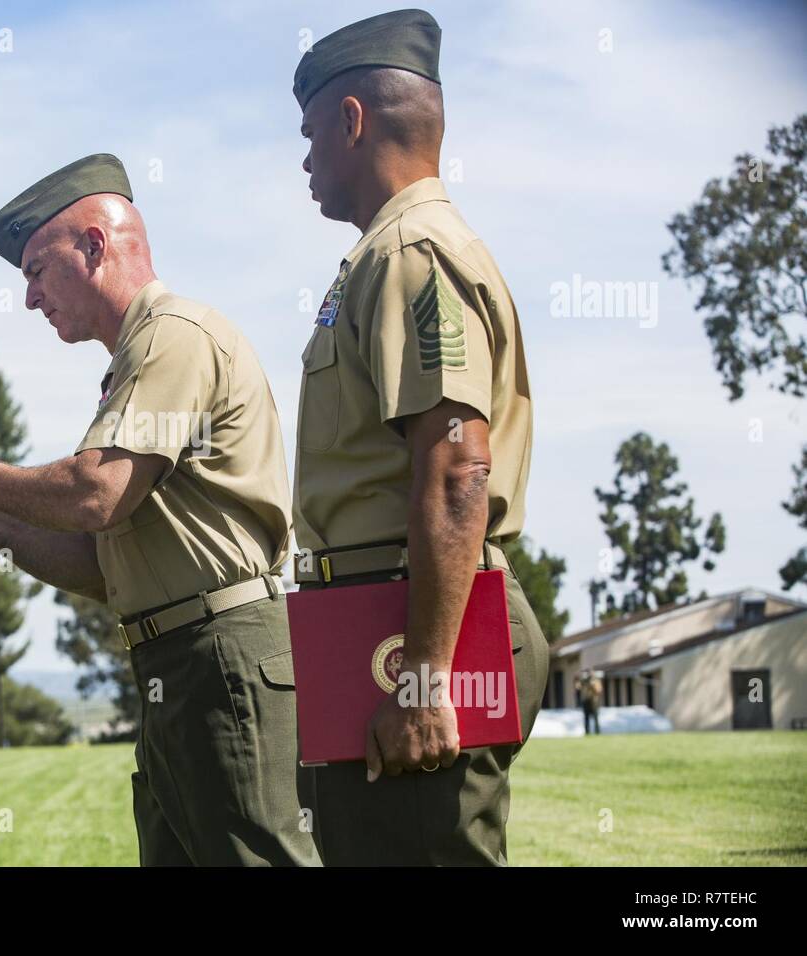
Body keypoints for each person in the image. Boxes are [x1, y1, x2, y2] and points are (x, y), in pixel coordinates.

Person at [0, 154, 318, 866]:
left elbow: (96, 492)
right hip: (184, 657)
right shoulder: (138, 357)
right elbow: (107, 569)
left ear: (93, 246)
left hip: (221, 655)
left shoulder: (173, 337)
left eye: (34, 270)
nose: (29, 299)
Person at [289, 10, 549, 864]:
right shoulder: (381, 255)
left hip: (415, 633)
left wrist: (427, 675)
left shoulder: (412, 253)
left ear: (353, 121)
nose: (304, 160)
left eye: (311, 133)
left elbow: (456, 470)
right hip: (382, 630)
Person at [575, 669, 603, 734]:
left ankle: (597, 732)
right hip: (586, 702)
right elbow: (578, 687)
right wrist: (576, 679)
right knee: (586, 719)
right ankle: (587, 732)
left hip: (594, 702)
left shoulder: (596, 680)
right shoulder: (584, 681)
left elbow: (599, 690)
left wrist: (593, 685)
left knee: (596, 719)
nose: (590, 674)